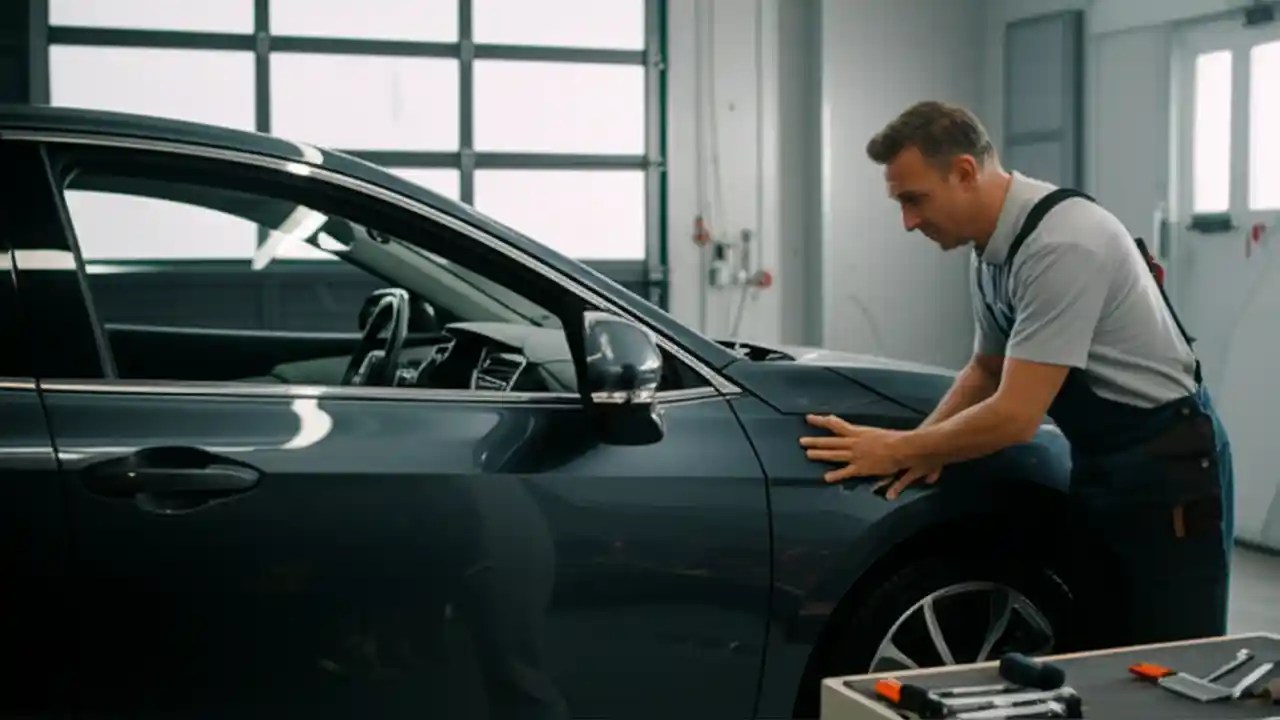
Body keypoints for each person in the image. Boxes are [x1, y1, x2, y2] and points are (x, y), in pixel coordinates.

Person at [799, 100, 1234, 649]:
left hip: (1170, 466)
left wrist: (899, 451)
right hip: (1103, 463)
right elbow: (986, 369)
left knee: (1171, 658)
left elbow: (1015, 416)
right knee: (1102, 648)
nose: (908, 222)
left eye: (914, 199)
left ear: (963, 172)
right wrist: (919, 445)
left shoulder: (1062, 244)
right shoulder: (989, 252)